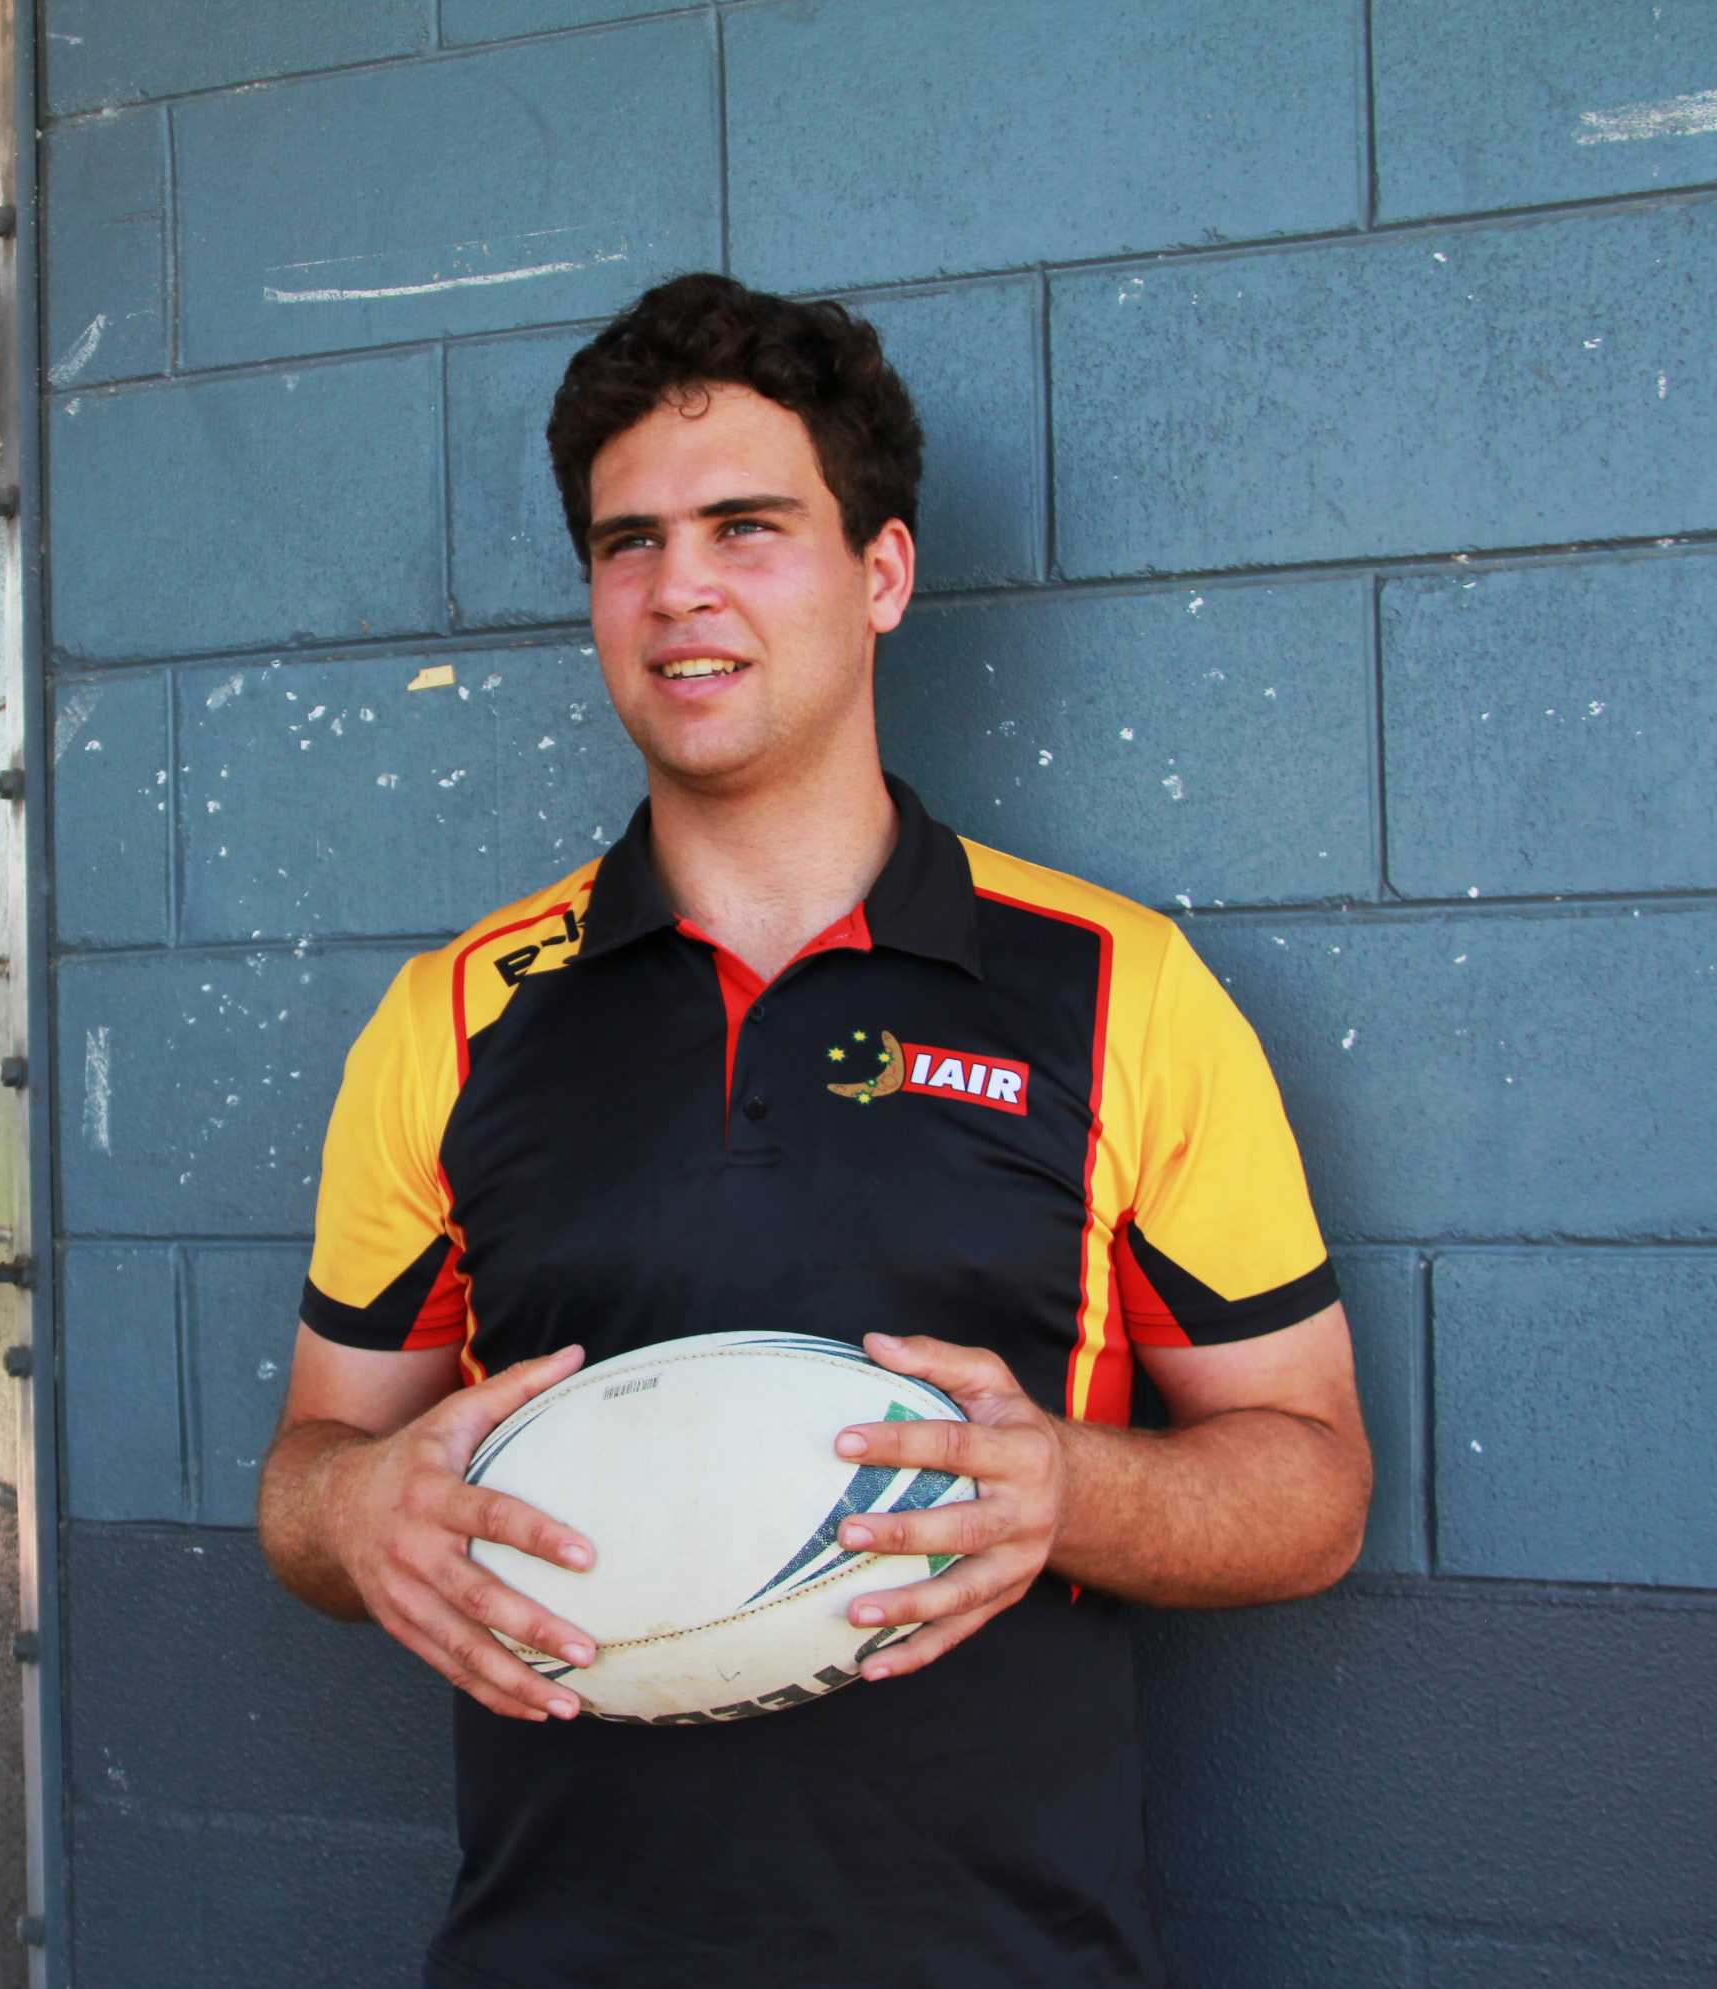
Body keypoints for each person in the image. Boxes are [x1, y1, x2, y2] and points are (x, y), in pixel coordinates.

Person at [253, 272, 1372, 1989]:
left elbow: (1312, 1486)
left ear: (885, 572)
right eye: (629, 542)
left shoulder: (1117, 988)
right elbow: (311, 1472)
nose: (678, 586)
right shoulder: (455, 1016)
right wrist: (358, 1518)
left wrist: (1061, 1490)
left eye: (747, 525)